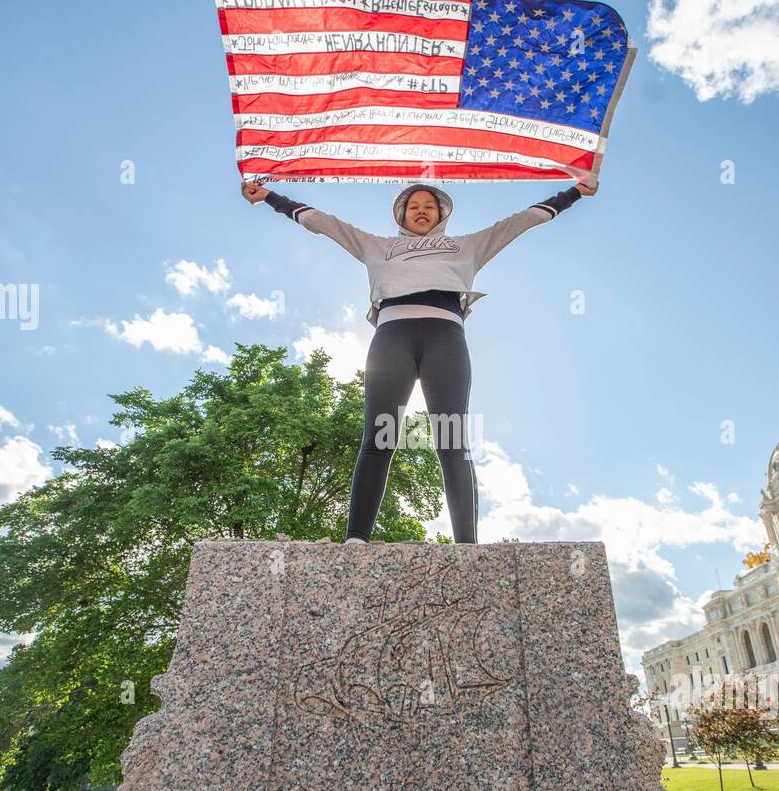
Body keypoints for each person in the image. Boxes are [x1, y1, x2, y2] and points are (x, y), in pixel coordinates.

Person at [242, 177, 594, 543]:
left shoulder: (467, 246)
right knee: (379, 436)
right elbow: (324, 222)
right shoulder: (379, 246)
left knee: (452, 438)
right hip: (392, 341)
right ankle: (356, 539)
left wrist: (574, 193)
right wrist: (269, 196)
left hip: (446, 341)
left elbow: (522, 220)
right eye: (414, 207)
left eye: (429, 206)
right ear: (402, 215)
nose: (422, 211)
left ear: (442, 213)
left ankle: (466, 546)